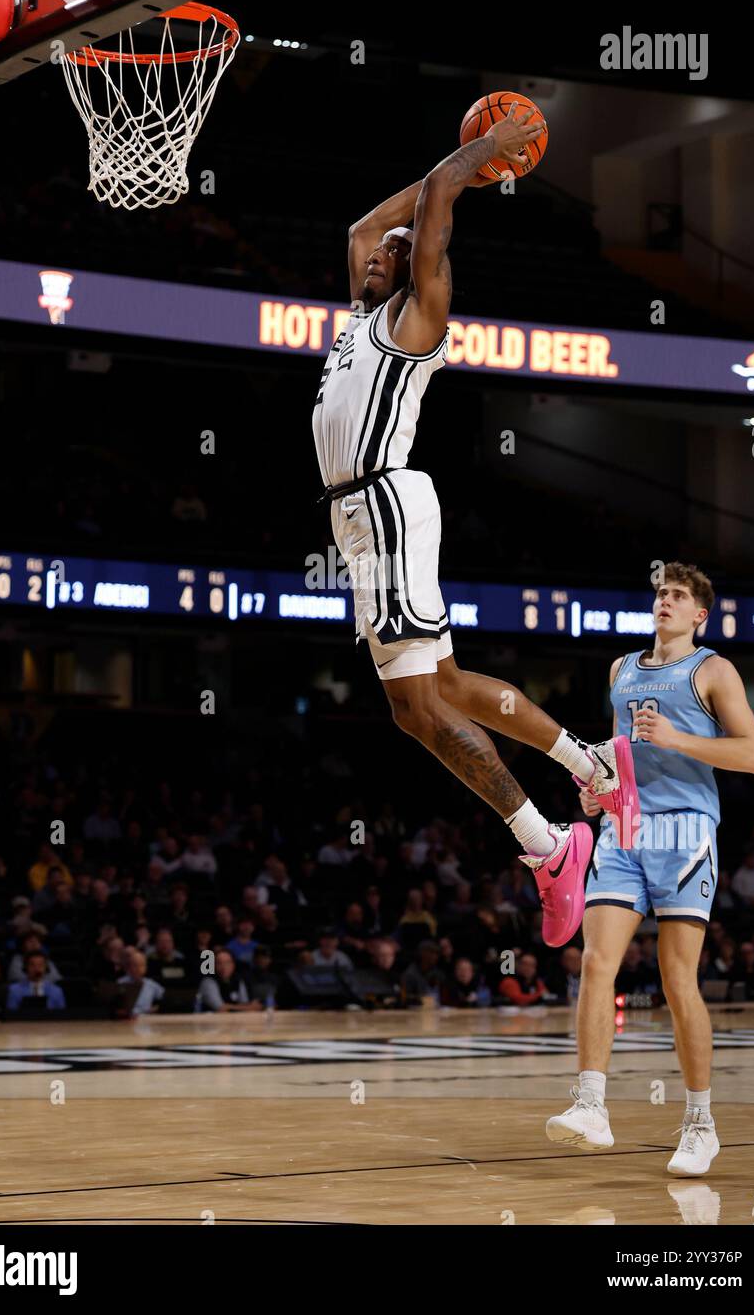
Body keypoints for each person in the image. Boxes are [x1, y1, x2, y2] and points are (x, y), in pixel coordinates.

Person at [311, 106, 640, 949]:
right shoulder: (357, 320)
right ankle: (591, 765)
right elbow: (359, 226)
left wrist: (476, 159)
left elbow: (427, 221)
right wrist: (443, 173)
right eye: (383, 252)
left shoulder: (416, 319)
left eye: (398, 248)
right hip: (361, 516)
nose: (381, 250)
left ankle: (549, 846)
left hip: (384, 502)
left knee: (415, 709)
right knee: (446, 692)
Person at [546, 562, 754, 1177]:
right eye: (659, 593)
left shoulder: (713, 670)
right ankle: (591, 1105)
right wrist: (597, 788)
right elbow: (619, 756)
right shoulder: (620, 669)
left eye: (677, 596)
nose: (664, 601)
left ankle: (700, 1123)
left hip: (687, 833)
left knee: (675, 981)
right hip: (626, 832)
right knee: (595, 961)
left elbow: (751, 754)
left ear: (700, 614)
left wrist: (675, 738)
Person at [195, 949, 261, 1013]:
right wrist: (249, 1007)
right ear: (214, 965)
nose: (223, 967)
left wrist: (248, 1006)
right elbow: (221, 1008)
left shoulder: (237, 980)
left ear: (233, 965)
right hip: (209, 1022)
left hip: (234, 1021)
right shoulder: (208, 982)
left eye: (227, 962)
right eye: (219, 963)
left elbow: (244, 1003)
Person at [116, 948, 165, 1017]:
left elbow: (164, 999)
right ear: (129, 967)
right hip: (126, 1020)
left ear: (145, 968)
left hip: (146, 1019)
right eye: (135, 965)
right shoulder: (120, 983)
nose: (138, 968)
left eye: (141, 965)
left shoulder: (152, 985)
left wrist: (156, 1008)